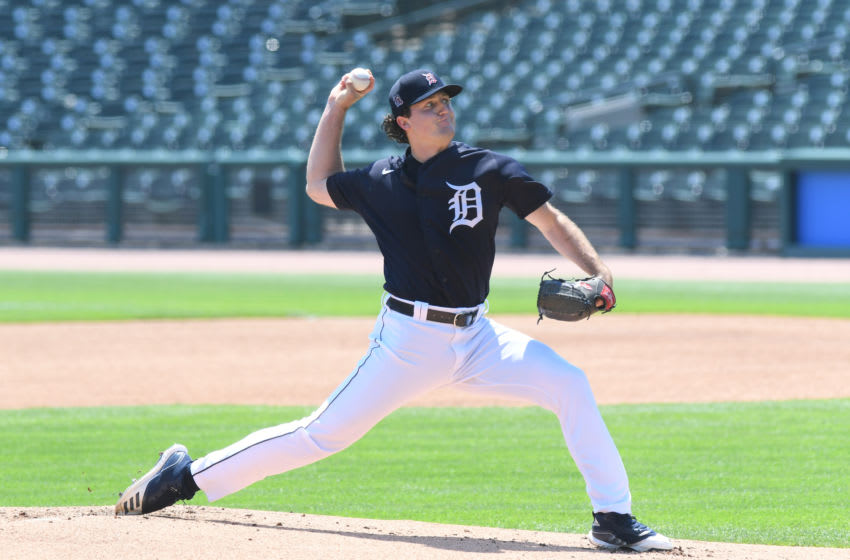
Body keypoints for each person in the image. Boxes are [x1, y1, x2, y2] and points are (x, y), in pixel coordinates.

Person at [115, 68, 672, 553]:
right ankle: (183, 477)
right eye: (429, 105)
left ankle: (612, 520)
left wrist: (598, 272)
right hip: (409, 340)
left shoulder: (490, 169)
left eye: (446, 101)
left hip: (478, 337)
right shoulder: (379, 180)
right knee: (322, 434)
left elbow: (551, 221)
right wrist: (336, 107)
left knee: (569, 384)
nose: (443, 109)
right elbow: (317, 185)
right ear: (403, 121)